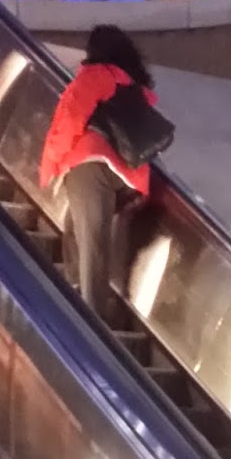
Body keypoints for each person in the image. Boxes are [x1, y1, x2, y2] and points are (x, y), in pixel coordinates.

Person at [39, 26, 155, 316]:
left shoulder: (96, 76)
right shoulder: (135, 89)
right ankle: (77, 292)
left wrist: (50, 165)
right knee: (74, 228)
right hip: (125, 175)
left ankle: (91, 319)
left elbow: (69, 119)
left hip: (91, 165)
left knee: (92, 241)